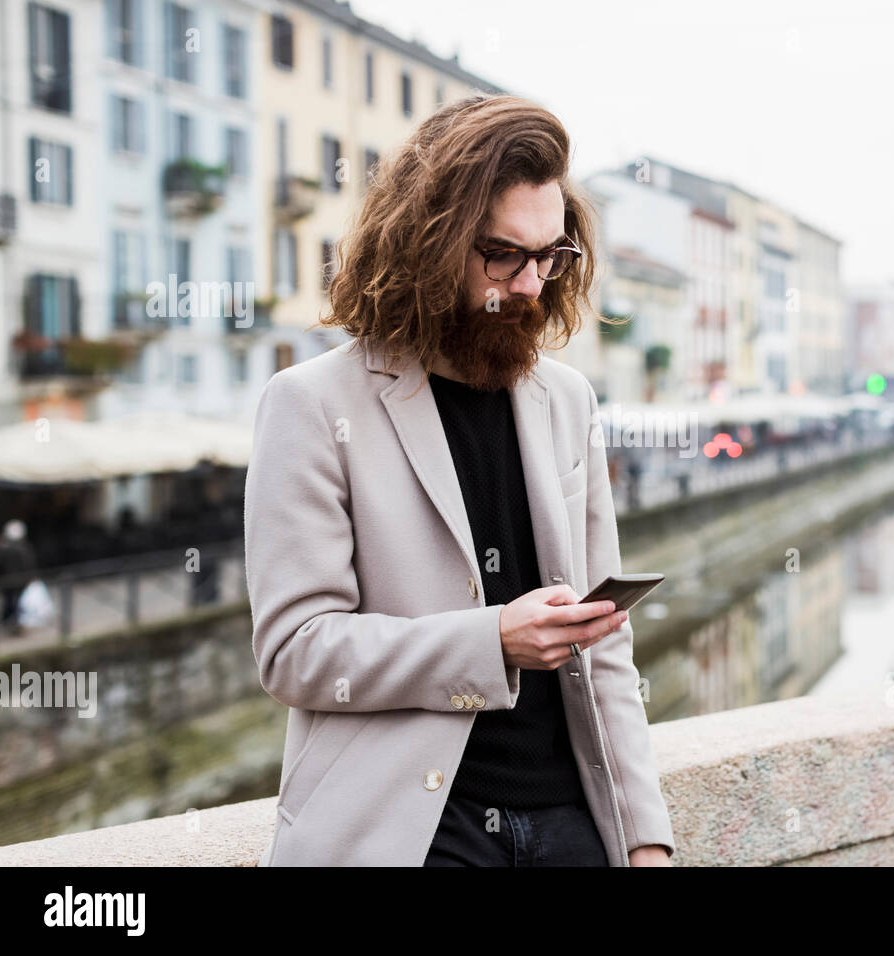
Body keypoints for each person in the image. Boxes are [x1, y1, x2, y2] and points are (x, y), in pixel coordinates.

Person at [244, 94, 674, 867]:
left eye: (550, 257)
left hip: (571, 826)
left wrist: (644, 838)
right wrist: (492, 641)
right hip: (409, 835)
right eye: (504, 254)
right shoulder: (309, 404)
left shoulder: (568, 399)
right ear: (428, 241)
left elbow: (607, 644)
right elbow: (295, 651)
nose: (532, 285)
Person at [0, 520, 37, 636]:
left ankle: (11, 624)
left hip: (8, 582)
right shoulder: (24, 547)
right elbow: (29, 564)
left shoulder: (4, 548)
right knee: (16, 604)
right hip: (19, 581)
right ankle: (14, 625)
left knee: (10, 603)